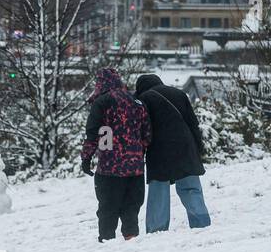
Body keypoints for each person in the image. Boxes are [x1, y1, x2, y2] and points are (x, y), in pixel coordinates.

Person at [80, 67, 151, 242]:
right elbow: (147, 135)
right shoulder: (137, 102)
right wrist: (136, 152)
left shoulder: (102, 102)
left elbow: (93, 133)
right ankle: (131, 241)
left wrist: (86, 158)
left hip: (109, 169)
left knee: (108, 210)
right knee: (131, 208)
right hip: (135, 169)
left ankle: (107, 244)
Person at [135, 73, 212, 233]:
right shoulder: (178, 94)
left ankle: (157, 229)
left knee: (159, 190)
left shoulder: (144, 99)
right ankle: (201, 224)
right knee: (191, 187)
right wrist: (198, 149)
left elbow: (144, 130)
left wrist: (139, 154)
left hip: (159, 150)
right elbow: (193, 123)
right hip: (186, 146)